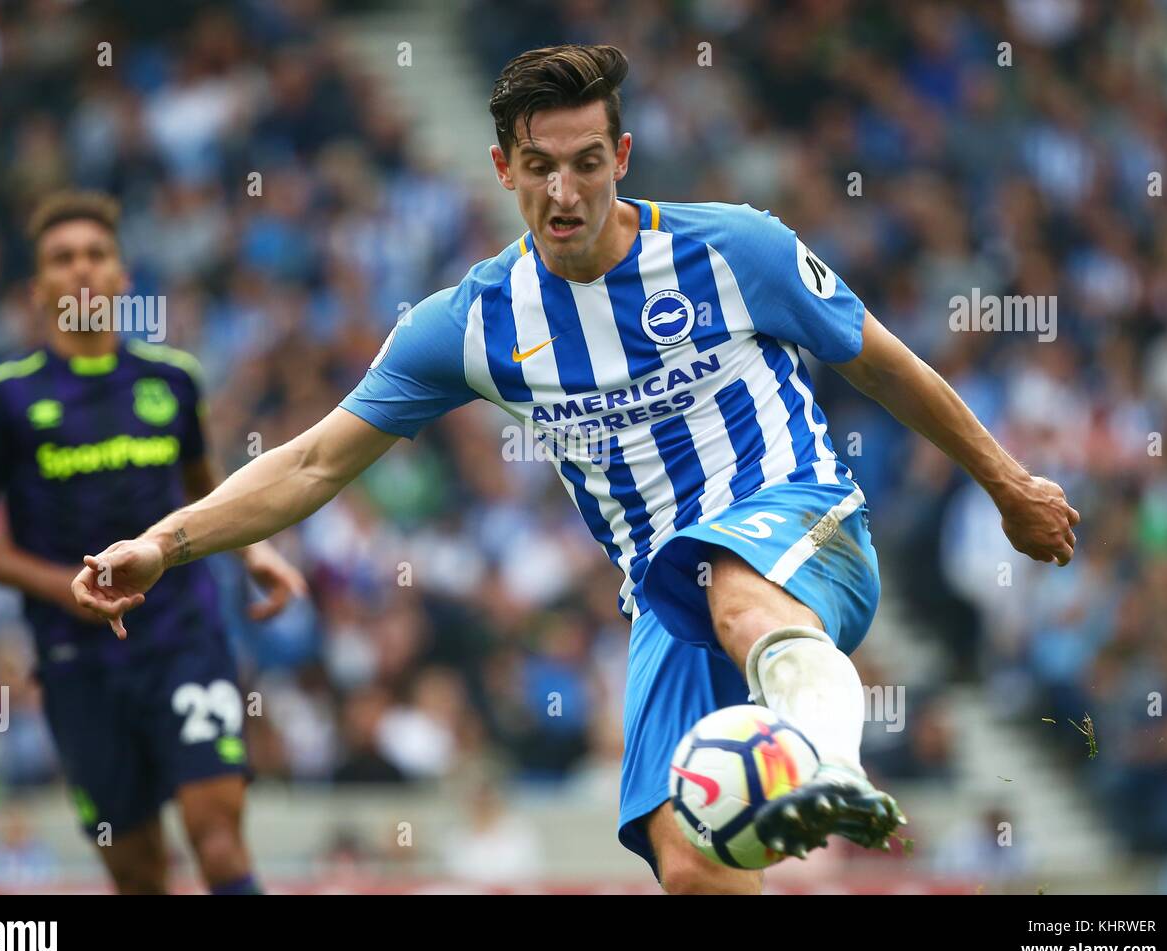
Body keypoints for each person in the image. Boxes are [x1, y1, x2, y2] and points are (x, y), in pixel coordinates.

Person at [70, 46, 1079, 894]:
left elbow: (882, 363)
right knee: (691, 866)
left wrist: (1008, 485)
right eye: (540, 165)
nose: (566, 191)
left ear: (621, 155)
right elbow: (312, 462)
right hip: (661, 597)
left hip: (799, 520)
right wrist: (164, 542)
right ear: (503, 167)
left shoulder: (737, 250)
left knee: (733, 586)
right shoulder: (469, 325)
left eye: (588, 162)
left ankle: (831, 763)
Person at [0, 190, 307, 894]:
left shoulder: (173, 381)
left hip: (182, 635)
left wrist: (257, 551)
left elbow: (212, 492)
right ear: (38, 288)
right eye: (62, 259)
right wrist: (67, 590)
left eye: (96, 255)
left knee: (219, 839)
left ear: (122, 277)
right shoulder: (3, 398)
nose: (81, 269)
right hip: (76, 658)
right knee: (138, 873)